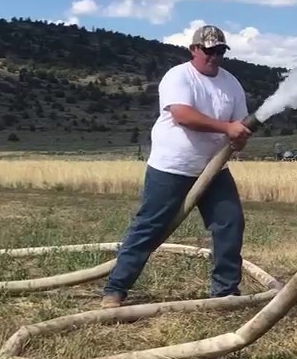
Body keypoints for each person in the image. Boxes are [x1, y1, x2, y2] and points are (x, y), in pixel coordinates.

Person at [101, 25, 253, 308]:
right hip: (171, 168)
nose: (214, 56)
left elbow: (239, 125)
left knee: (230, 223)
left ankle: (225, 292)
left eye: (220, 51)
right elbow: (183, 115)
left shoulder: (231, 83)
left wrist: (239, 137)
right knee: (149, 227)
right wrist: (227, 128)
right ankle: (115, 290)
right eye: (208, 50)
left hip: (213, 169)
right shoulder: (178, 76)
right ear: (194, 50)